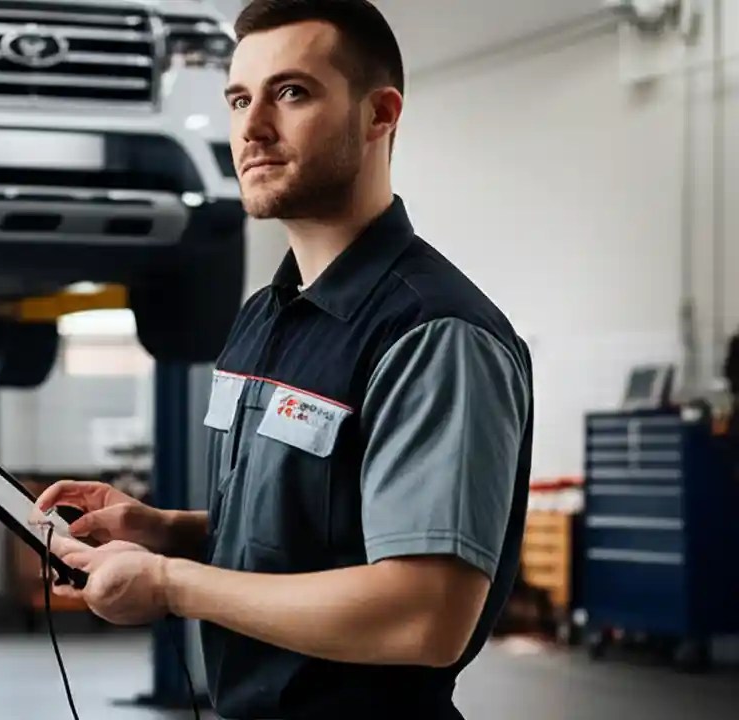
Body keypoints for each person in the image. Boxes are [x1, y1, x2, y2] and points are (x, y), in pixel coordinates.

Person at [37, 1, 534, 718]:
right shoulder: (265, 316)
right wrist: (163, 530)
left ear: (379, 114)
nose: (253, 128)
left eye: (292, 92)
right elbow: (317, 533)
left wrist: (171, 583)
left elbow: (424, 614)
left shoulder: (433, 333)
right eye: (240, 99)